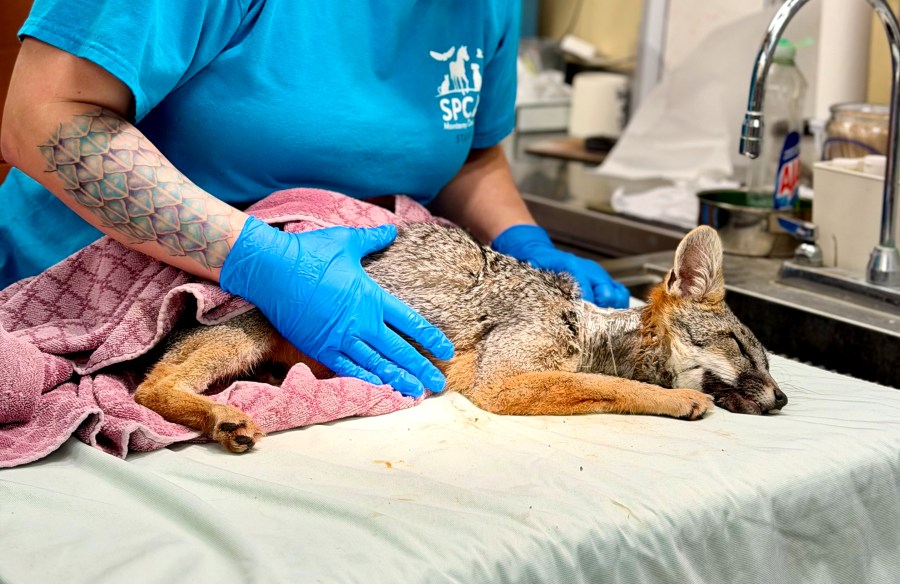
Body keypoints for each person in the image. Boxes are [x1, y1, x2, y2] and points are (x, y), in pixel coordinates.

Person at [0, 1, 629, 398]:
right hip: (93, 307)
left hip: (324, 317)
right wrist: (261, 261)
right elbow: (46, 116)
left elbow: (469, 155)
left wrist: (525, 241)